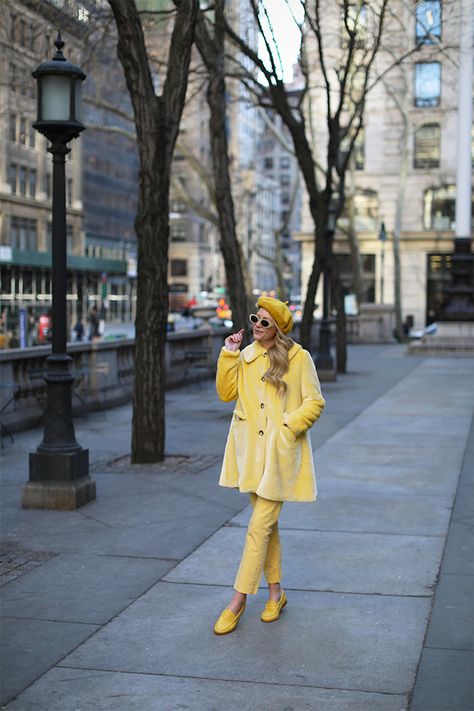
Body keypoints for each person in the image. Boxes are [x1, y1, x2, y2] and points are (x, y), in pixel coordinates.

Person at [213, 296, 325, 635]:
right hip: (251, 454)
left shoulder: (298, 358)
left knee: (258, 526)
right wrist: (229, 353)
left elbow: (315, 401)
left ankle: (238, 599)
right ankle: (276, 594)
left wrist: (289, 427)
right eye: (254, 319)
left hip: (278, 456)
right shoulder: (245, 356)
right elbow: (225, 393)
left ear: (277, 327)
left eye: (264, 322)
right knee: (268, 528)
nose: (256, 325)